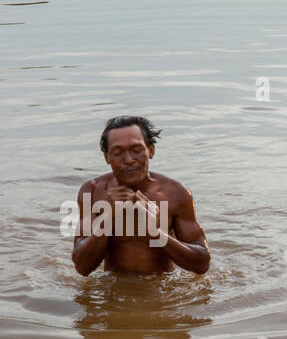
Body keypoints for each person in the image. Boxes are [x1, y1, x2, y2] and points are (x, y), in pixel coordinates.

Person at [71, 116, 210, 276]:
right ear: (107, 157)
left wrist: (156, 232)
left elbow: (202, 263)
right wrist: (107, 218)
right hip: (115, 288)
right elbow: (82, 267)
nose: (129, 160)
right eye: (117, 153)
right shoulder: (92, 191)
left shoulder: (175, 193)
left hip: (161, 289)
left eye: (137, 151)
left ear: (151, 151)